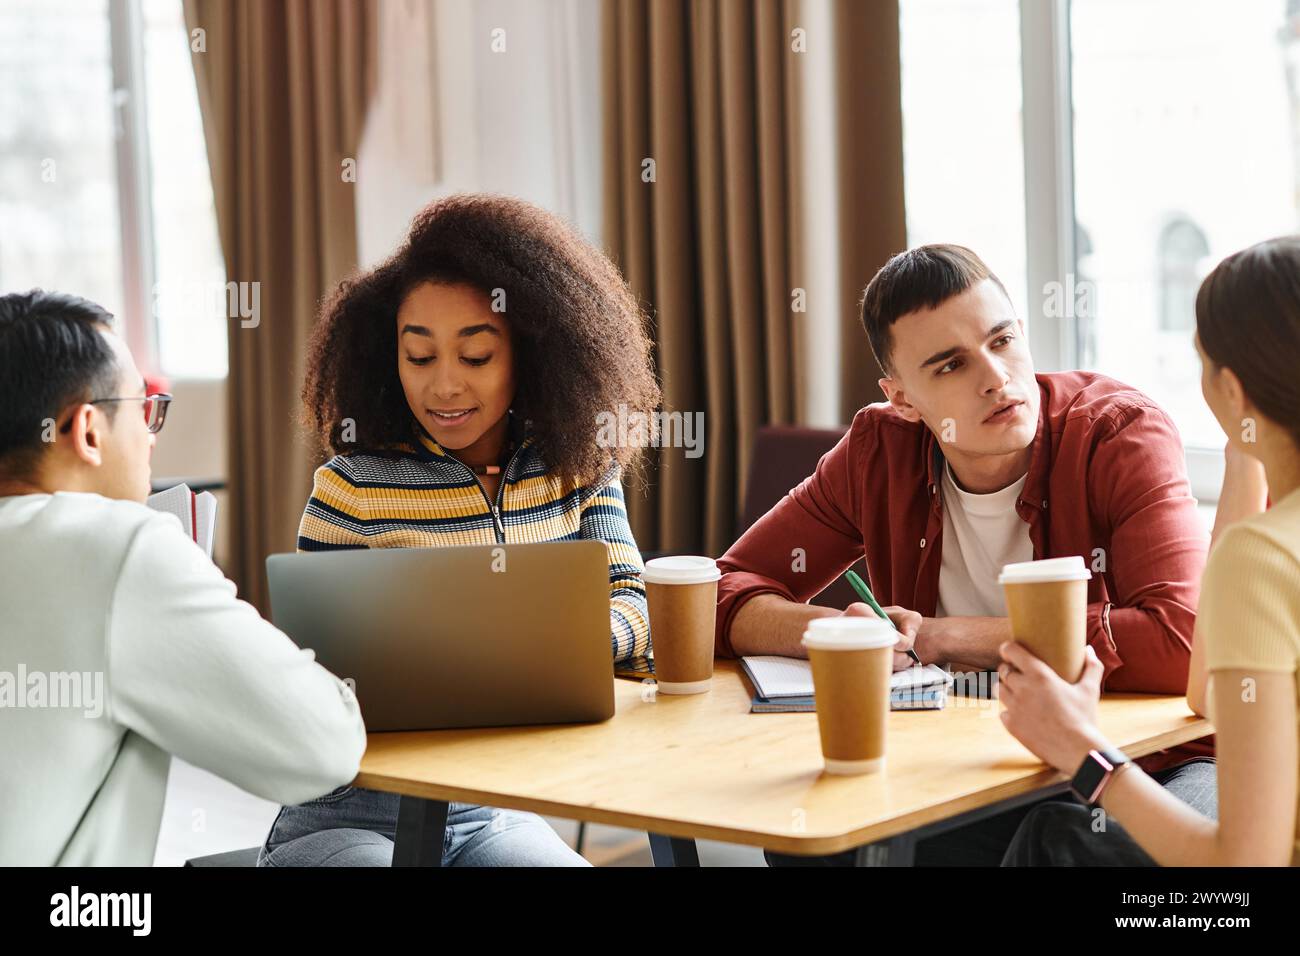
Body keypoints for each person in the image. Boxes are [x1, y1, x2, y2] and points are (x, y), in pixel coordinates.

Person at [718, 244, 1215, 865]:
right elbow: (725, 588)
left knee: (1084, 851)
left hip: (1150, 762)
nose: (996, 378)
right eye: (951, 366)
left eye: (1002, 340)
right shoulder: (880, 452)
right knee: (817, 845)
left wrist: (942, 637)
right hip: (974, 763)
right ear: (901, 398)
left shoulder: (1117, 433)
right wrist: (839, 632)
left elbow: (1183, 642)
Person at [258, 194, 661, 867]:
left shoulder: (578, 467)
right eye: (419, 358)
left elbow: (634, 598)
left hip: (492, 814)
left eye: (475, 357)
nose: (444, 386)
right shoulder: (352, 485)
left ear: (530, 355)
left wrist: (580, 642)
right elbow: (314, 665)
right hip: (346, 807)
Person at [0, 290, 365, 866]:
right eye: (143, 407)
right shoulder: (119, 547)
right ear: (88, 430)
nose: (151, 434)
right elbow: (323, 748)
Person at [999, 236, 1300, 866]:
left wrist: (1083, 752)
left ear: (1232, 388)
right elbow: (1208, 698)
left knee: (1056, 841)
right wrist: (1246, 455)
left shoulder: (1265, 558)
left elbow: (1241, 873)